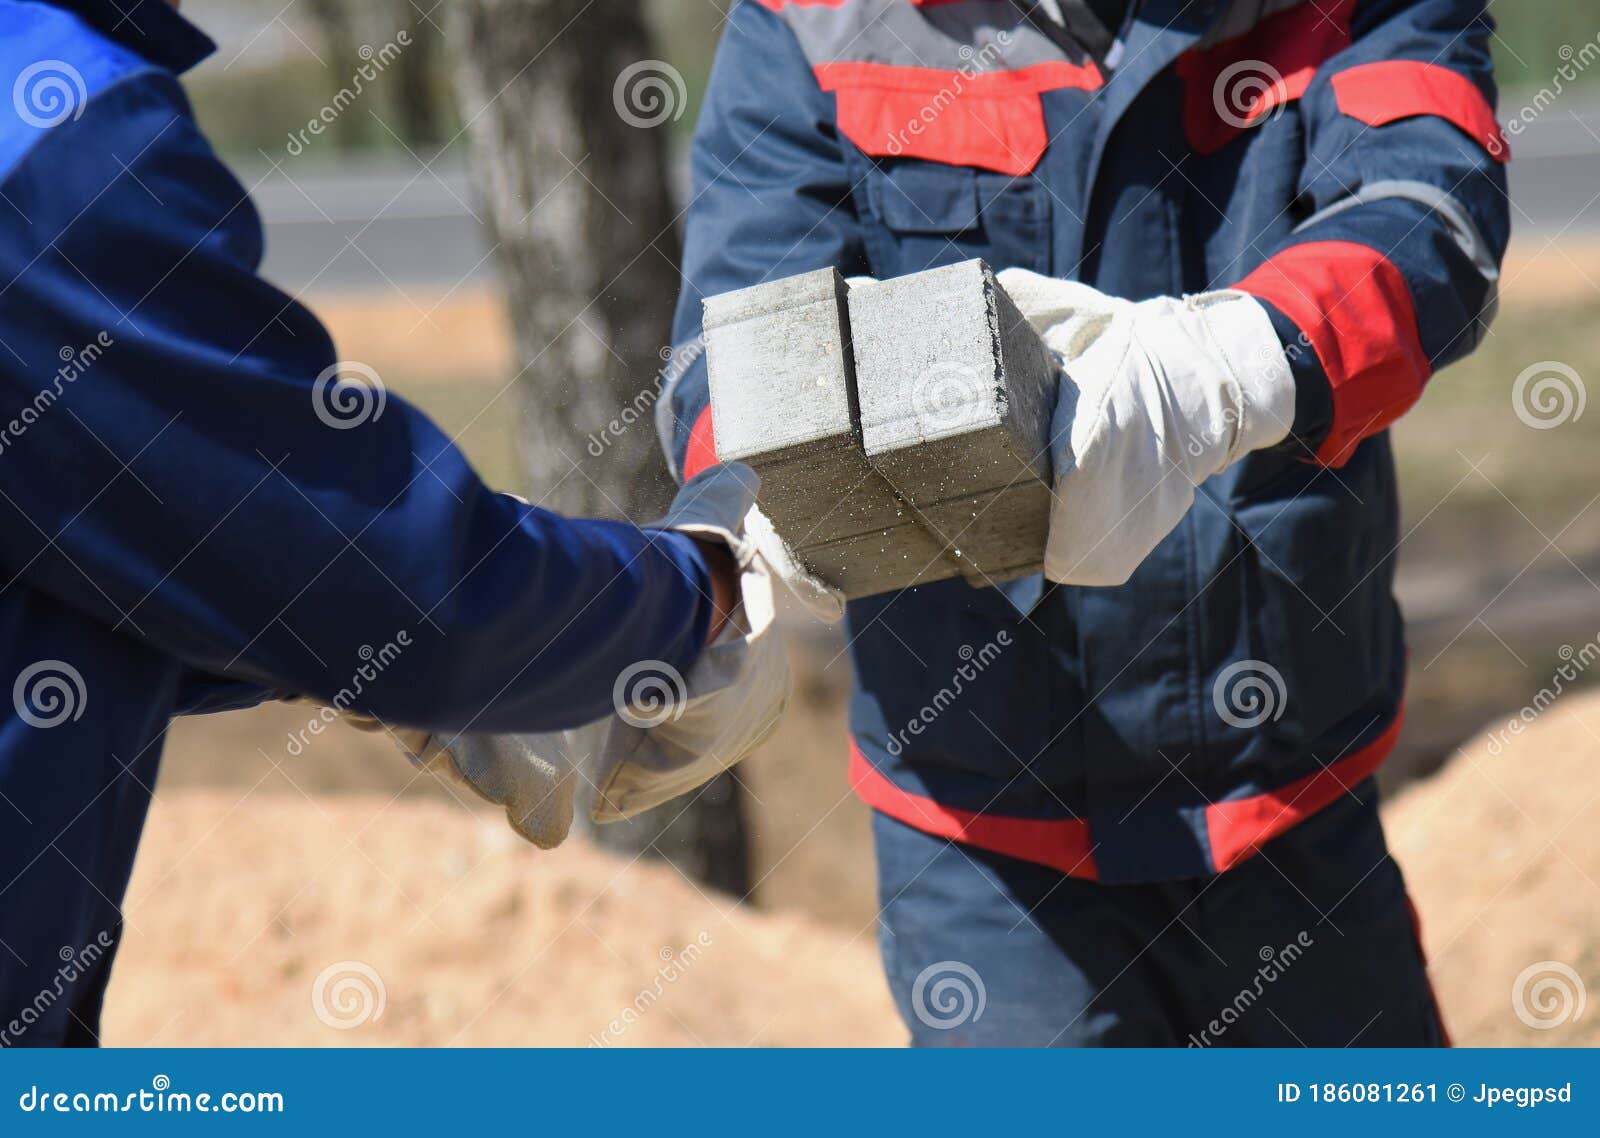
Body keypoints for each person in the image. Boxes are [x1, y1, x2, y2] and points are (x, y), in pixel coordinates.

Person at [662, 0, 1507, 1045]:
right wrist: (732, 528)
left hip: (1289, 799)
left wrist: (1227, 365)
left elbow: (1432, 211)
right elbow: (731, 342)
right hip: (985, 843)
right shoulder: (815, 21)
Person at [0, 0, 786, 1046]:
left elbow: (105, 540)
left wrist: (331, 645)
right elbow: (381, 567)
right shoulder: (52, 144)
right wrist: (697, 598)